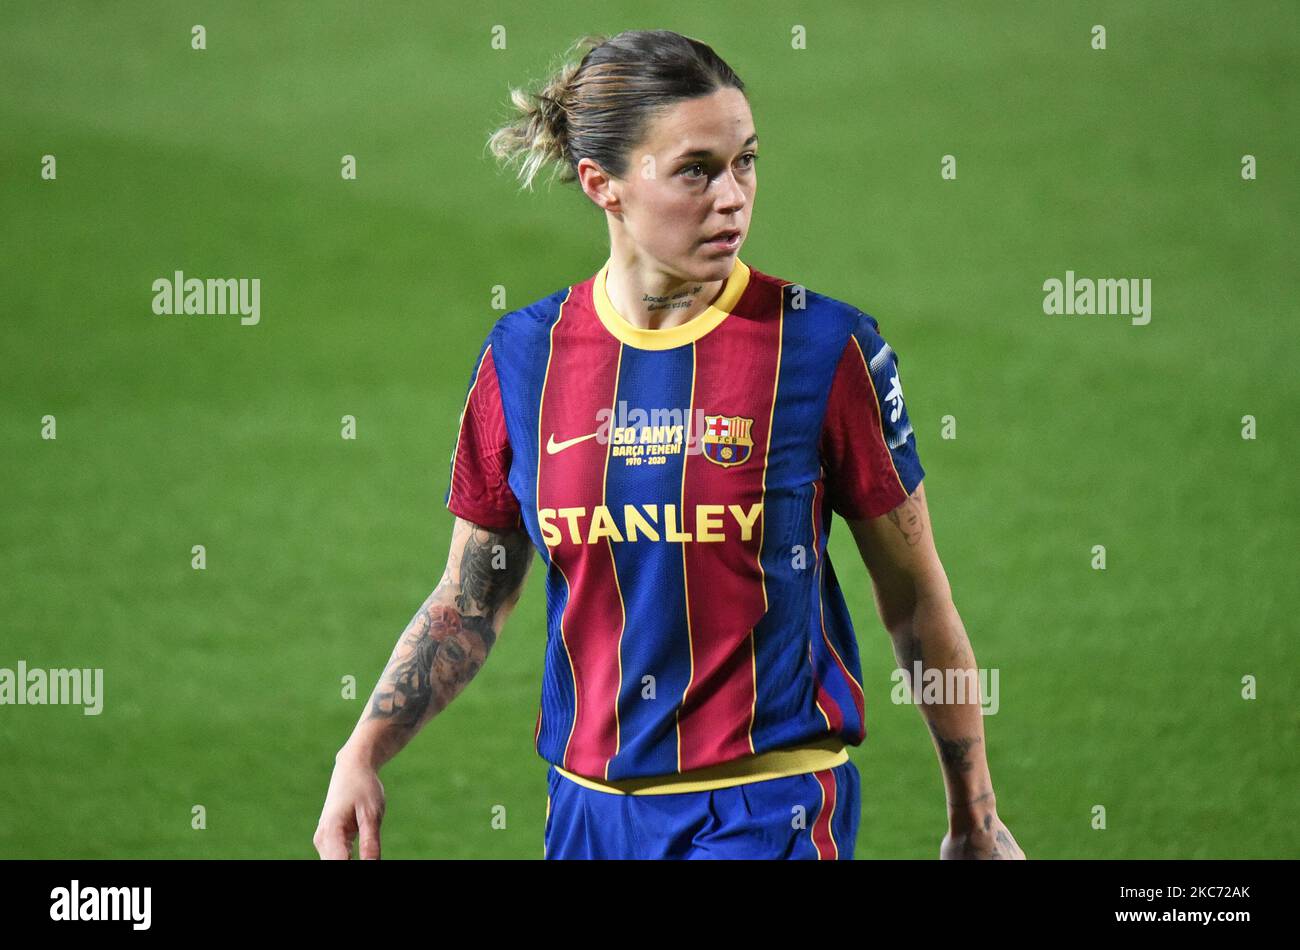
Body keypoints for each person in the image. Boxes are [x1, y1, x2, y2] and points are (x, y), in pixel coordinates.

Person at [313, 29, 1024, 861]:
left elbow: (913, 596)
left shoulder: (823, 349)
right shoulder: (524, 357)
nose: (734, 197)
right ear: (602, 185)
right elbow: (472, 597)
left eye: (746, 161)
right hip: (585, 816)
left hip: (766, 809)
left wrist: (974, 816)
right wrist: (360, 752)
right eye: (697, 169)